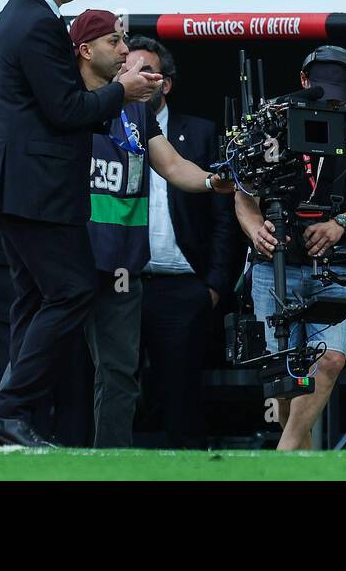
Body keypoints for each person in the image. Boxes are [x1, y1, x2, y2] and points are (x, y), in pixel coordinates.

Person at [0, 0, 162, 448]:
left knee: (32, 303)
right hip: (35, 189)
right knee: (73, 290)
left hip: (19, 187)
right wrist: (122, 91)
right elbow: (65, 109)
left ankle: (7, 418)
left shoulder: (23, 17)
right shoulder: (35, 23)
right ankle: (6, 413)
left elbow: (54, 108)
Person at [70, 10, 233, 447]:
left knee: (120, 375)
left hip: (124, 264)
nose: (126, 51)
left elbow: (176, 167)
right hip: (69, 259)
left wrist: (217, 181)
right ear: (86, 53)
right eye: (118, 46)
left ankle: (111, 466)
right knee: (48, 364)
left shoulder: (139, 115)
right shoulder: (65, 103)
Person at [236, 47, 346, 451]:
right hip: (274, 260)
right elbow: (243, 190)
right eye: (322, 92)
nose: (330, 102)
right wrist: (255, 230)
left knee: (331, 359)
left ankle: (283, 455)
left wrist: (340, 224)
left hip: (333, 262)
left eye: (339, 95)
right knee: (283, 376)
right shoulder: (271, 120)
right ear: (304, 82)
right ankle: (302, 464)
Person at [129, 35, 242, 449]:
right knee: (113, 385)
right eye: (129, 70)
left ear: (166, 84)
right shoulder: (107, 124)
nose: (136, 78)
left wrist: (212, 285)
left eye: (147, 71)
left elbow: (223, 216)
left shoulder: (200, 132)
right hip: (122, 282)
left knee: (180, 394)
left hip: (182, 285)